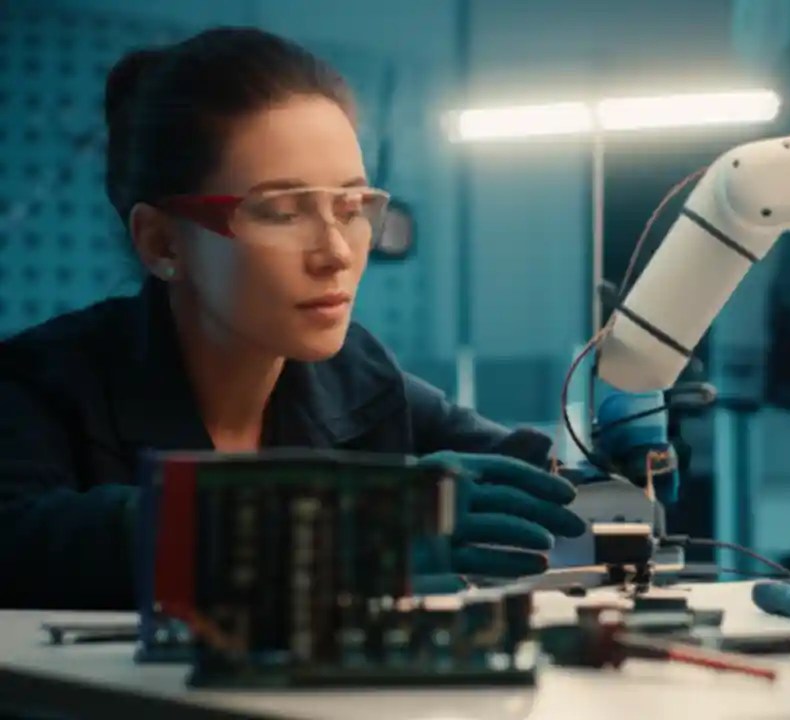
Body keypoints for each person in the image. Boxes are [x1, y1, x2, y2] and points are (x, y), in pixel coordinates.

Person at [0, 27, 585, 610]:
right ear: (162, 243)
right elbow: (23, 540)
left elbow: (521, 475)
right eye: (281, 211)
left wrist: (625, 471)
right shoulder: (38, 387)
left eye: (352, 207)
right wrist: (341, 526)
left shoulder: (356, 377)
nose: (335, 251)